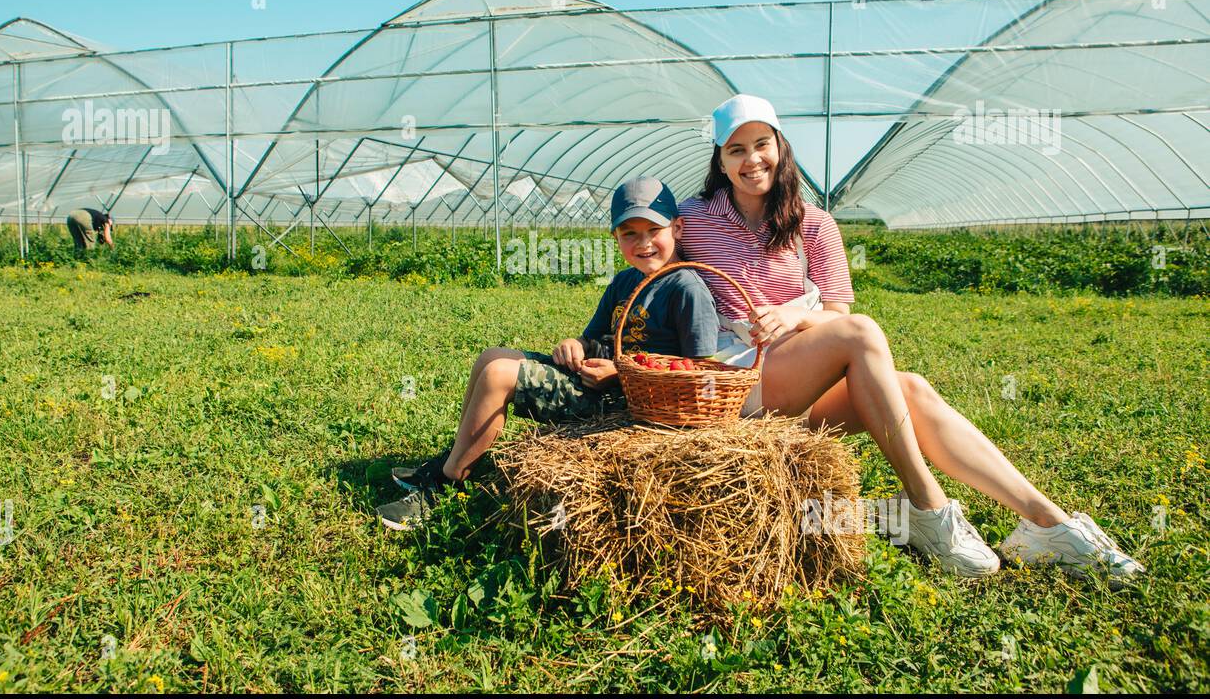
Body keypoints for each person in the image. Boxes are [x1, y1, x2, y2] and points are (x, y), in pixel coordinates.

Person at [678, 93, 1144, 581]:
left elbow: (835, 312)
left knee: (913, 387)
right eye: (736, 150)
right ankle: (926, 506)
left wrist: (794, 318)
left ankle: (1047, 522)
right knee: (861, 334)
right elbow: (645, 258)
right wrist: (601, 344)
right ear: (720, 160)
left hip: (800, 379)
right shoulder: (693, 218)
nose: (752, 160)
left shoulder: (813, 224)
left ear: (781, 146)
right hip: (736, 382)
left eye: (761, 144)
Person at [377, 176, 720, 532]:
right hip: (595, 382)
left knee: (499, 376)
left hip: (629, 403)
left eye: (653, 229)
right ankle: (454, 457)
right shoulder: (624, 282)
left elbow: (700, 372)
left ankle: (448, 486)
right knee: (491, 357)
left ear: (677, 228)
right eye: (629, 233)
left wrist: (620, 374)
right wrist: (575, 345)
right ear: (615, 237)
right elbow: (592, 339)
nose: (643, 242)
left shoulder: (686, 287)